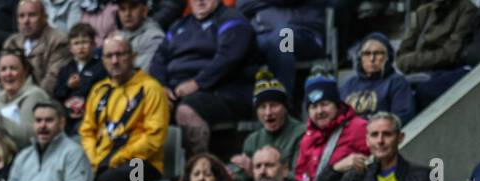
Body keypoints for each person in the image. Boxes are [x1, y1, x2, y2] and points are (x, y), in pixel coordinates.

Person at [82, 33, 169, 181]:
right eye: (109, 56)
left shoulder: (151, 88)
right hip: (104, 161)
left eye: (120, 55)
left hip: (144, 165)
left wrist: (119, 157)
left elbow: (154, 139)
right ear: (102, 60)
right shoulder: (99, 90)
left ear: (133, 56)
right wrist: (93, 157)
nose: (115, 61)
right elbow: (87, 131)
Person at [149, 0, 258, 156]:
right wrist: (161, 87)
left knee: (187, 110)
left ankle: (200, 164)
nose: (200, 1)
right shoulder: (178, 26)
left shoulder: (233, 20)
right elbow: (159, 59)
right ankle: (140, 173)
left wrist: (198, 82)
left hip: (222, 91)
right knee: (147, 107)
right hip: (177, 91)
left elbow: (228, 58)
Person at [306, 113, 446, 181]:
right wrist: (335, 169)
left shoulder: (424, 177)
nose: (380, 141)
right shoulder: (355, 179)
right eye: (374, 135)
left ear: (400, 137)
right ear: (367, 140)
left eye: (387, 134)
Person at [228, 69, 306, 181]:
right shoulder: (252, 140)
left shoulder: (301, 133)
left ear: (285, 107)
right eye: (262, 107)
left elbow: (300, 177)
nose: (268, 113)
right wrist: (230, 178)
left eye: (274, 105)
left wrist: (256, 172)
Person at [394, 0, 477, 112]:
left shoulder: (466, 8)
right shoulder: (423, 12)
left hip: (447, 73)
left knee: (425, 90)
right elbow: (400, 58)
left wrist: (414, 59)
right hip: (417, 73)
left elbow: (450, 54)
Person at [236, 0, 325, 102]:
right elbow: (241, 4)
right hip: (261, 34)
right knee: (237, 43)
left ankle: (281, 103)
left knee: (282, 40)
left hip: (302, 32)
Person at [294, 72, 370, 181]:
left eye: (324, 104)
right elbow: (301, 179)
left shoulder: (359, 128)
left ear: (337, 105)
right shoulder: (307, 139)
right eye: (313, 107)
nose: (319, 111)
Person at [342, 34, 416, 126]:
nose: (372, 58)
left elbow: (402, 117)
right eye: (367, 54)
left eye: (377, 53)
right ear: (360, 58)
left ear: (388, 57)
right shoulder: (349, 84)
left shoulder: (397, 82)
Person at [2, 0, 70, 99]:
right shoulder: (11, 43)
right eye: (21, 16)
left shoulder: (59, 41)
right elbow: (2, 78)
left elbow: (52, 80)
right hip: (12, 99)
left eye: (32, 15)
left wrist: (27, 100)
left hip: (45, 101)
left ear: (44, 17)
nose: (26, 21)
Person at [50, 23, 105, 134]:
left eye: (85, 42)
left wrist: (82, 84)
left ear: (94, 44)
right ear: (70, 48)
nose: (81, 47)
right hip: (67, 118)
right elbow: (57, 95)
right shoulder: (65, 69)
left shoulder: (101, 67)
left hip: (89, 118)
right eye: (76, 43)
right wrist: (67, 86)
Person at [113, 0, 164, 73]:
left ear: (144, 11)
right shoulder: (117, 36)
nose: (127, 14)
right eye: (122, 9)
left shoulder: (154, 37)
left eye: (133, 7)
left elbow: (142, 74)